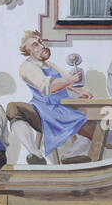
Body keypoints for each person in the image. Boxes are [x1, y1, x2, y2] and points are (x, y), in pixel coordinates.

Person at [7, 31, 92, 165]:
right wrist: (70, 80)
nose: (41, 46)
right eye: (35, 45)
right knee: (14, 109)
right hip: (42, 110)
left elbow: (65, 79)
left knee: (94, 124)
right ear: (28, 51)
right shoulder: (27, 67)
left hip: (63, 109)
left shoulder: (50, 65)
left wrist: (79, 91)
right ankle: (35, 154)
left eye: (40, 42)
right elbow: (49, 87)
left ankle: (70, 156)